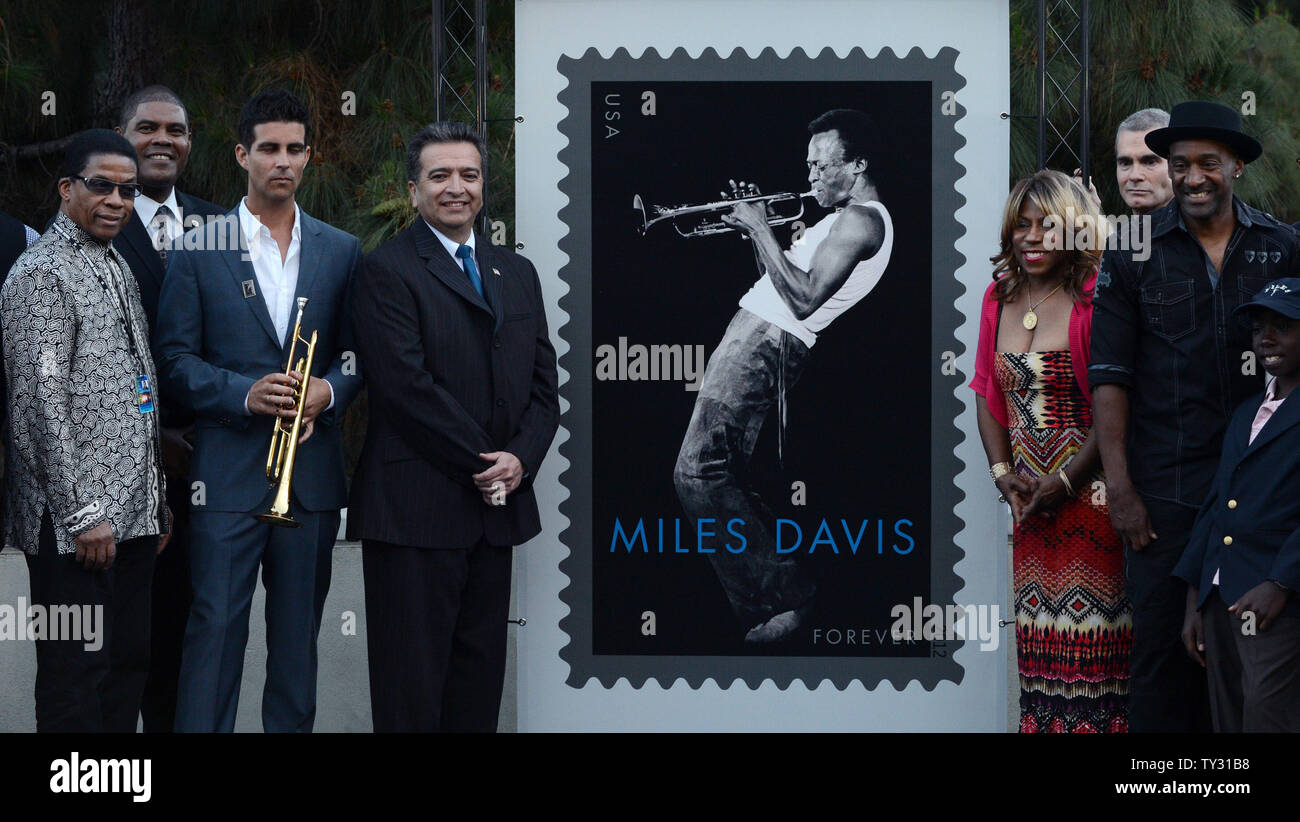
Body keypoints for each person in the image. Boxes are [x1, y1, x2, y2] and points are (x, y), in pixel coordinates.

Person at [1089, 100, 1300, 732]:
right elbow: (1109, 377)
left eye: (1209, 162)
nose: (1193, 177)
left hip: (1267, 493)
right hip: (1165, 496)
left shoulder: (1283, 248)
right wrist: (1121, 488)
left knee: (1257, 662)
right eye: (1179, 165)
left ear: (1236, 165)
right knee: (1162, 659)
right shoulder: (1131, 253)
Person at [157, 89, 362, 732]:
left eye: (294, 149)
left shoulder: (341, 250)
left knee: (297, 644)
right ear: (242, 154)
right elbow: (175, 361)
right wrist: (242, 394)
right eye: (268, 148)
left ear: (310, 158)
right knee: (213, 634)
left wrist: (328, 392)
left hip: (311, 476)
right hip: (224, 475)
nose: (282, 161)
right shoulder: (197, 248)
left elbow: (359, 356)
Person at [348, 121, 558, 732]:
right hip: (415, 514)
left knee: (477, 688)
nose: (456, 187)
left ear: (483, 186)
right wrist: (487, 463)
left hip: (494, 514)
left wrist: (519, 461)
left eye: (468, 174)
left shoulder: (516, 274)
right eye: (439, 176)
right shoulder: (386, 271)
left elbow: (545, 391)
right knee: (411, 692)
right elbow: (407, 390)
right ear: (413, 191)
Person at [672, 108, 893, 643]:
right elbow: (781, 285)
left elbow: (802, 299)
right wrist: (758, 234)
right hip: (759, 330)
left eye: (822, 165)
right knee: (722, 472)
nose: (811, 175)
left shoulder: (863, 219)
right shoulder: (838, 218)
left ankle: (785, 599)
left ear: (858, 163)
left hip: (768, 340)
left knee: (698, 471)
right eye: (808, 165)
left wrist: (756, 225)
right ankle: (783, 598)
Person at [1, 129, 171, 732]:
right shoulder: (40, 274)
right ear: (67, 188)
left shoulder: (115, 262)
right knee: (76, 680)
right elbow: (40, 406)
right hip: (74, 532)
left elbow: (138, 395)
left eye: (128, 190)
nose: (118, 200)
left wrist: (155, 507)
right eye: (102, 186)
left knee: (126, 671)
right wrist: (80, 516)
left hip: (130, 522)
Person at [970, 170, 1129, 732]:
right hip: (1030, 510)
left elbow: (1115, 411)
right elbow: (988, 394)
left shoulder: (1095, 297)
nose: (1032, 238)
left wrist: (1063, 483)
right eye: (1022, 226)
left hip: (1096, 506)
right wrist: (1001, 474)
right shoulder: (999, 295)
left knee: (1095, 661)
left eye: (1047, 226)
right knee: (1040, 666)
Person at [112, 84, 225, 734]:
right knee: (123, 652)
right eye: (146, 127)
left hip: (207, 470)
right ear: (123, 136)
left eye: (175, 130)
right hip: (121, 479)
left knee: (189, 648)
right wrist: (149, 441)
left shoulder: (223, 227)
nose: (162, 139)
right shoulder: (93, 225)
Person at [1174, 278, 1300, 732]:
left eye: (1282, 326)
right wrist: (1196, 597)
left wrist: (1282, 583)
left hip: (1274, 602)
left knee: (1268, 717)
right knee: (1227, 719)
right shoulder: (1246, 413)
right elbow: (1215, 507)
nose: (1266, 338)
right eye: (1259, 327)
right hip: (1220, 601)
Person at [1114, 108, 1174, 215]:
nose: (1134, 176)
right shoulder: (1119, 230)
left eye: (1150, 162)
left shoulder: (1202, 230)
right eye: (1125, 163)